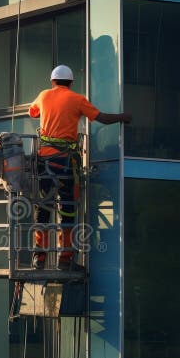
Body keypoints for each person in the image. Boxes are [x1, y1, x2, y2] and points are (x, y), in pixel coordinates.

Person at [29, 65, 131, 268]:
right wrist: (122, 117)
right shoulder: (77, 99)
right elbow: (100, 118)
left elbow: (32, 113)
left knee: (43, 207)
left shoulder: (44, 95)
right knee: (67, 208)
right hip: (66, 162)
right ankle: (65, 259)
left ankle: (38, 257)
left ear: (53, 81)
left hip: (45, 161)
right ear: (71, 82)